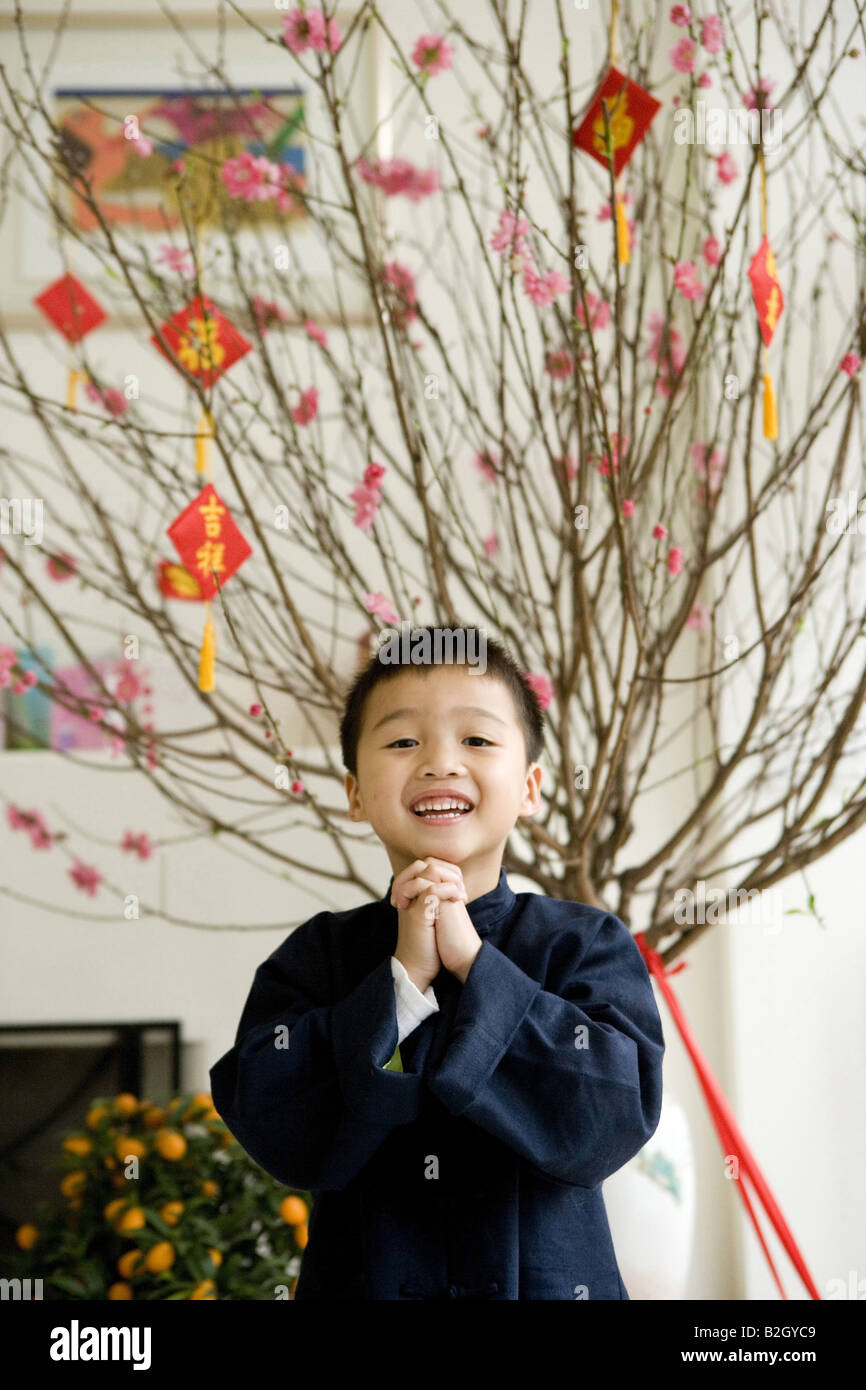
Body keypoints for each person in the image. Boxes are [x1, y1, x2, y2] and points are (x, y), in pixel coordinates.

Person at [209, 627, 665, 1300]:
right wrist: (401, 985)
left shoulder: (583, 943)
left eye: (476, 740)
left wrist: (475, 964)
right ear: (356, 793)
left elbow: (611, 1118)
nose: (439, 763)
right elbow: (274, 1124)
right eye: (402, 742)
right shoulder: (321, 954)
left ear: (531, 787)